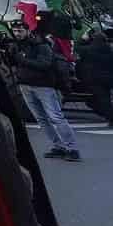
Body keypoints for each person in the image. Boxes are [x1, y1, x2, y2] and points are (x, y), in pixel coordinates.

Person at [11, 17, 81, 161]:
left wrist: (21, 59)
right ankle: (58, 146)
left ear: (28, 31)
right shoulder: (17, 45)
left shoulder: (41, 45)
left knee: (55, 117)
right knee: (41, 119)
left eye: (20, 31)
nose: (17, 33)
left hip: (43, 86)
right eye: (15, 31)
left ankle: (72, 148)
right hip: (25, 85)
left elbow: (45, 64)